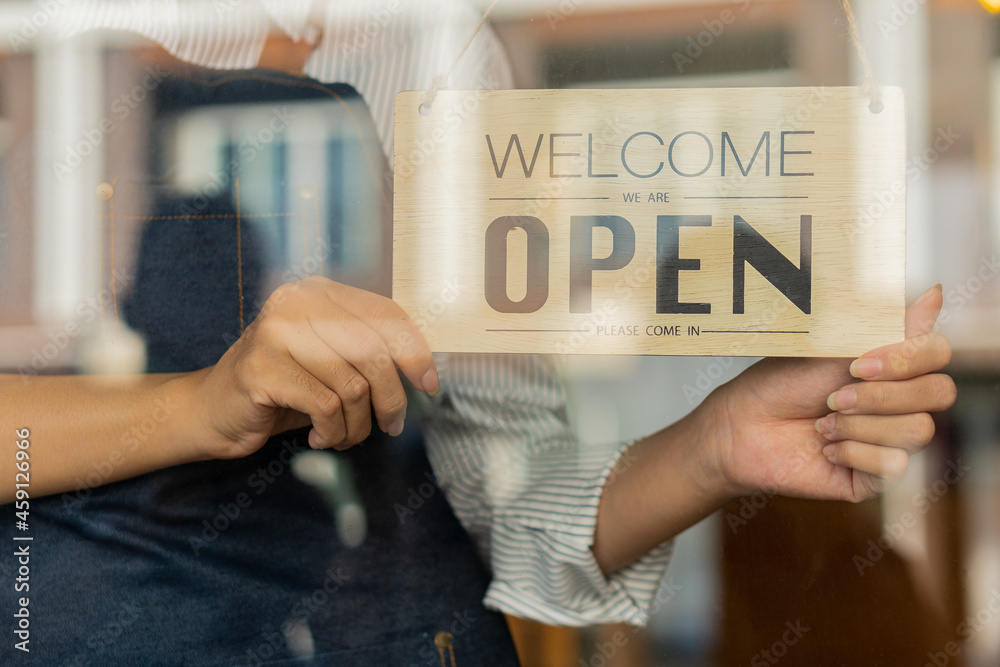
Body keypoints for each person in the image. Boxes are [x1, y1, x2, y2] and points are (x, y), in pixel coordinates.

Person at [1, 1, 956, 664]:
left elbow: (510, 509)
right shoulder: (38, 33)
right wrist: (200, 404)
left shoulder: (444, 46)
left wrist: (714, 443)